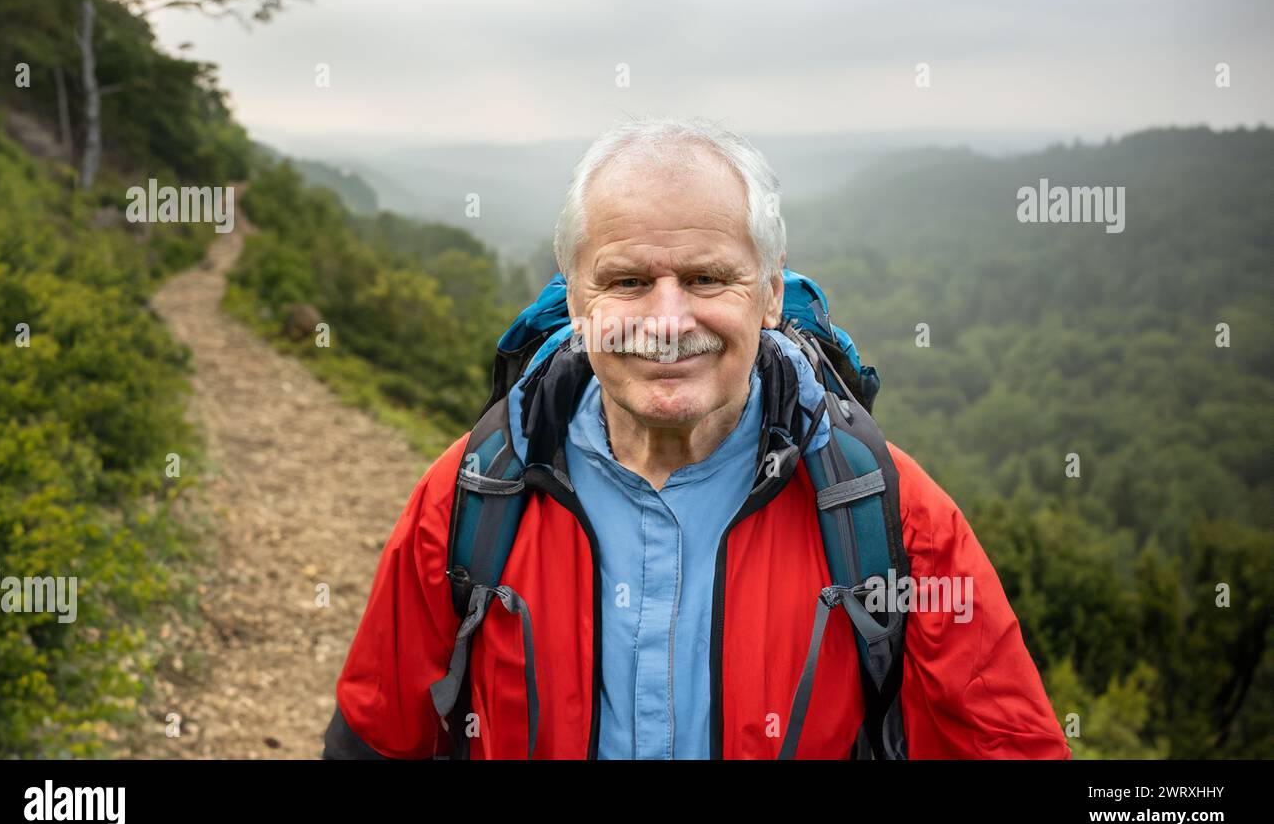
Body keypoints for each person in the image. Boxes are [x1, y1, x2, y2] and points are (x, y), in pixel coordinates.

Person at [322, 116, 1072, 760]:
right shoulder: (474, 495)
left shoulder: (891, 515)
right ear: (572, 296)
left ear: (772, 292)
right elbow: (377, 737)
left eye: (709, 279)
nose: (667, 319)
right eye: (625, 282)